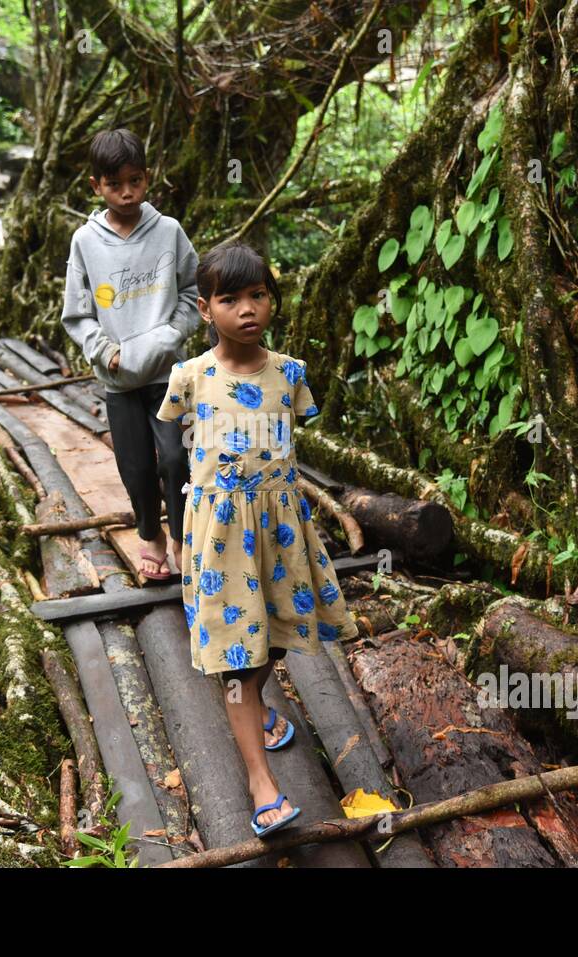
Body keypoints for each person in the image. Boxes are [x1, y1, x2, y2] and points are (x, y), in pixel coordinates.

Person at [155, 241, 359, 837]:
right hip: (219, 537)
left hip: (278, 534)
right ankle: (259, 782)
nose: (247, 309)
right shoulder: (190, 377)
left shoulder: (291, 374)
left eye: (258, 295)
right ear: (204, 309)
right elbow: (171, 448)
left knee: (269, 642)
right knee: (237, 659)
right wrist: (172, 526)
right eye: (230, 299)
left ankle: (259, 705)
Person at [60, 128, 199, 580]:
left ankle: (180, 536)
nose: (126, 193)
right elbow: (77, 313)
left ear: (147, 178)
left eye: (134, 181)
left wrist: (170, 335)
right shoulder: (85, 241)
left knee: (177, 459)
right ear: (95, 185)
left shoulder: (169, 232)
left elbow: (194, 291)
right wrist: (105, 352)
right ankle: (149, 535)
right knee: (136, 466)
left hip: (168, 375)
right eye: (114, 184)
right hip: (118, 379)